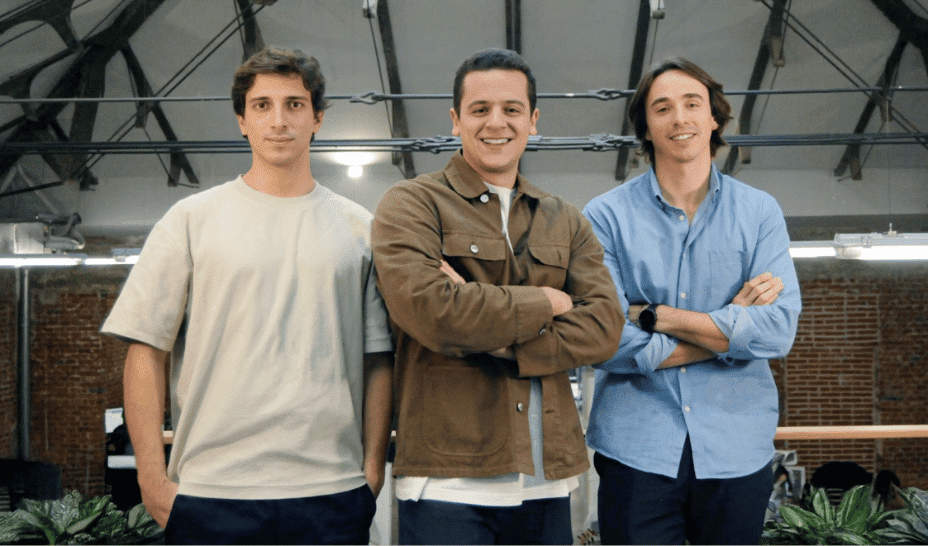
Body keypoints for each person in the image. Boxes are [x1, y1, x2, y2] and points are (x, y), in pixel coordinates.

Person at [100, 46, 393, 545]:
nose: (279, 121)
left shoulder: (359, 228)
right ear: (242, 120)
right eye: (262, 105)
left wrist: (371, 471)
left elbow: (378, 360)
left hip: (331, 491)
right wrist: (151, 478)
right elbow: (146, 350)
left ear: (318, 117)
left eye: (294, 104)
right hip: (212, 492)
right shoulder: (190, 221)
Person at [370, 48, 623, 545]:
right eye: (480, 109)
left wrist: (489, 326)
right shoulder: (412, 204)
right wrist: (549, 302)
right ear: (455, 120)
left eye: (511, 109)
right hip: (446, 478)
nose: (496, 123)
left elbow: (605, 328)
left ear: (533, 121)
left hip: (547, 480)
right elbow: (434, 312)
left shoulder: (565, 219)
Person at [582, 57, 802, 545]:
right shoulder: (605, 216)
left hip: (737, 448)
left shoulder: (759, 213)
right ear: (646, 128)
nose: (679, 118)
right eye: (662, 108)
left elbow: (777, 330)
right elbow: (602, 340)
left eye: (692, 104)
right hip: (635, 449)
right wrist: (729, 331)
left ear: (714, 118)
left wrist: (656, 316)